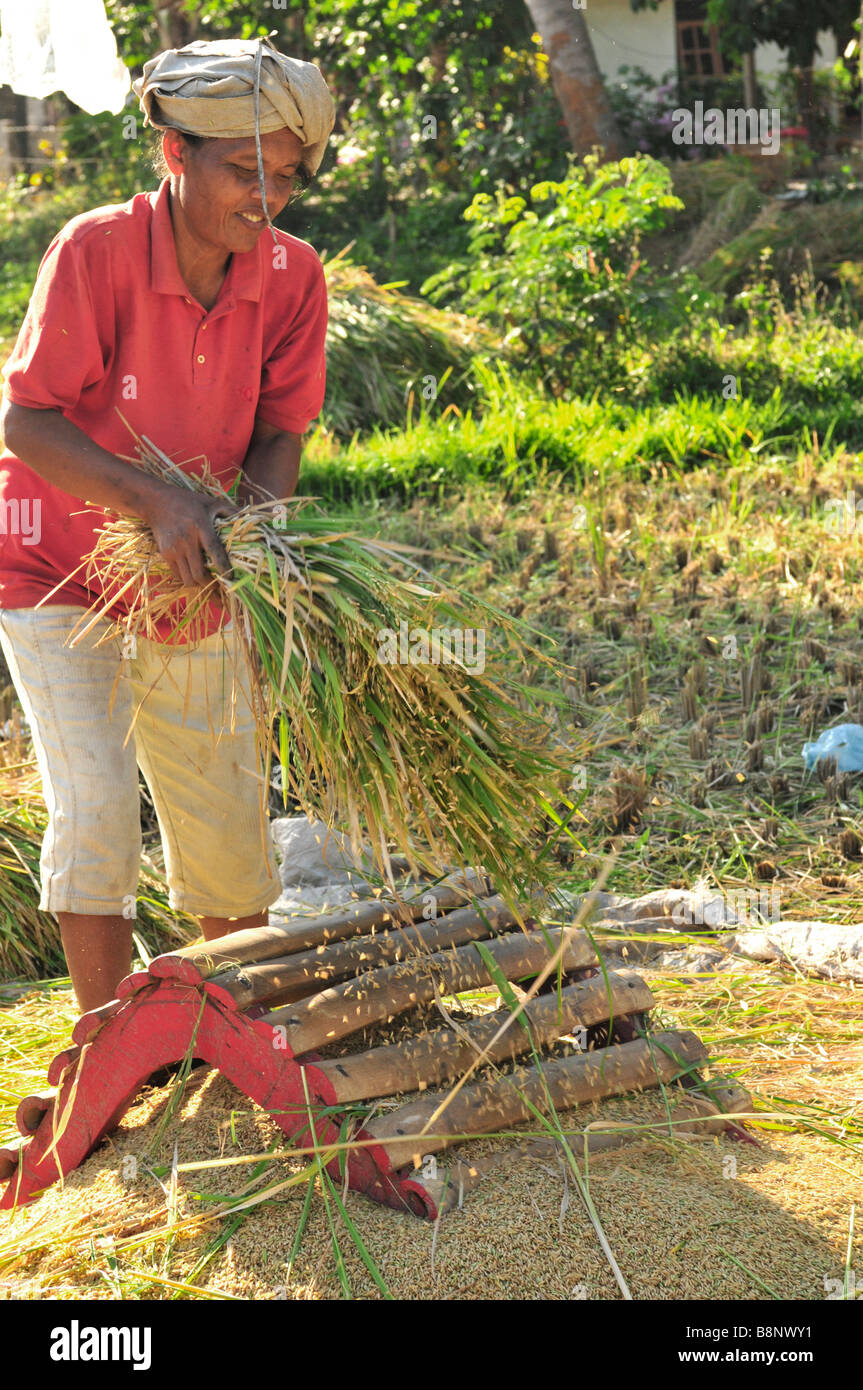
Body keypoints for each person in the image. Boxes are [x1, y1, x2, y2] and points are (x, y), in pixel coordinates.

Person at [0, 37, 335, 1013]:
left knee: (227, 818)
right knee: (98, 806)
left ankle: (234, 1034)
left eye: (285, 177)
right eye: (243, 172)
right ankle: (105, 1048)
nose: (265, 198)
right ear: (173, 153)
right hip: (52, 570)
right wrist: (156, 499)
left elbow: (280, 430)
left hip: (196, 573)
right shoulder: (94, 252)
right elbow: (25, 420)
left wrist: (257, 530)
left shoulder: (293, 276)